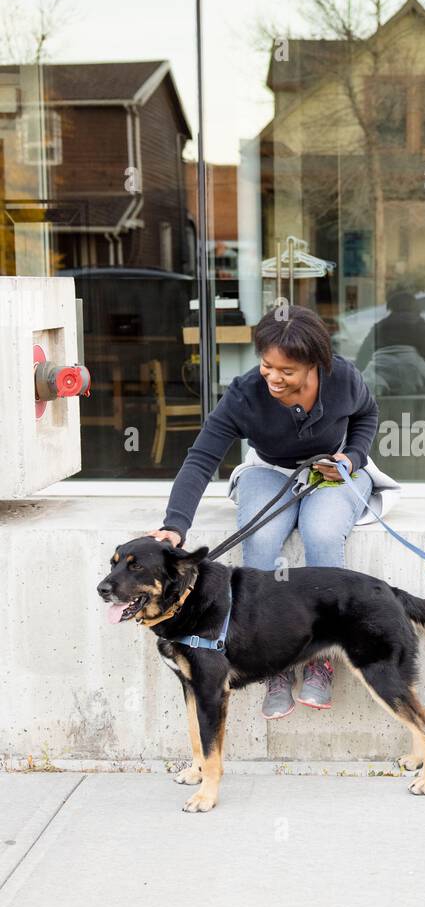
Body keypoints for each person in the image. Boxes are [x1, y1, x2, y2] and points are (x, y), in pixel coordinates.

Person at [148, 304, 377, 718]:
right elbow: (201, 458)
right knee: (262, 539)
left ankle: (319, 656)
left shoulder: (343, 378)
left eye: (286, 370)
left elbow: (366, 414)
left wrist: (352, 458)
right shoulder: (245, 394)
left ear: (314, 364)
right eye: (266, 365)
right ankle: (275, 660)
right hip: (268, 471)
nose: (273, 377)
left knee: (322, 534)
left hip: (332, 471)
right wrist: (174, 526)